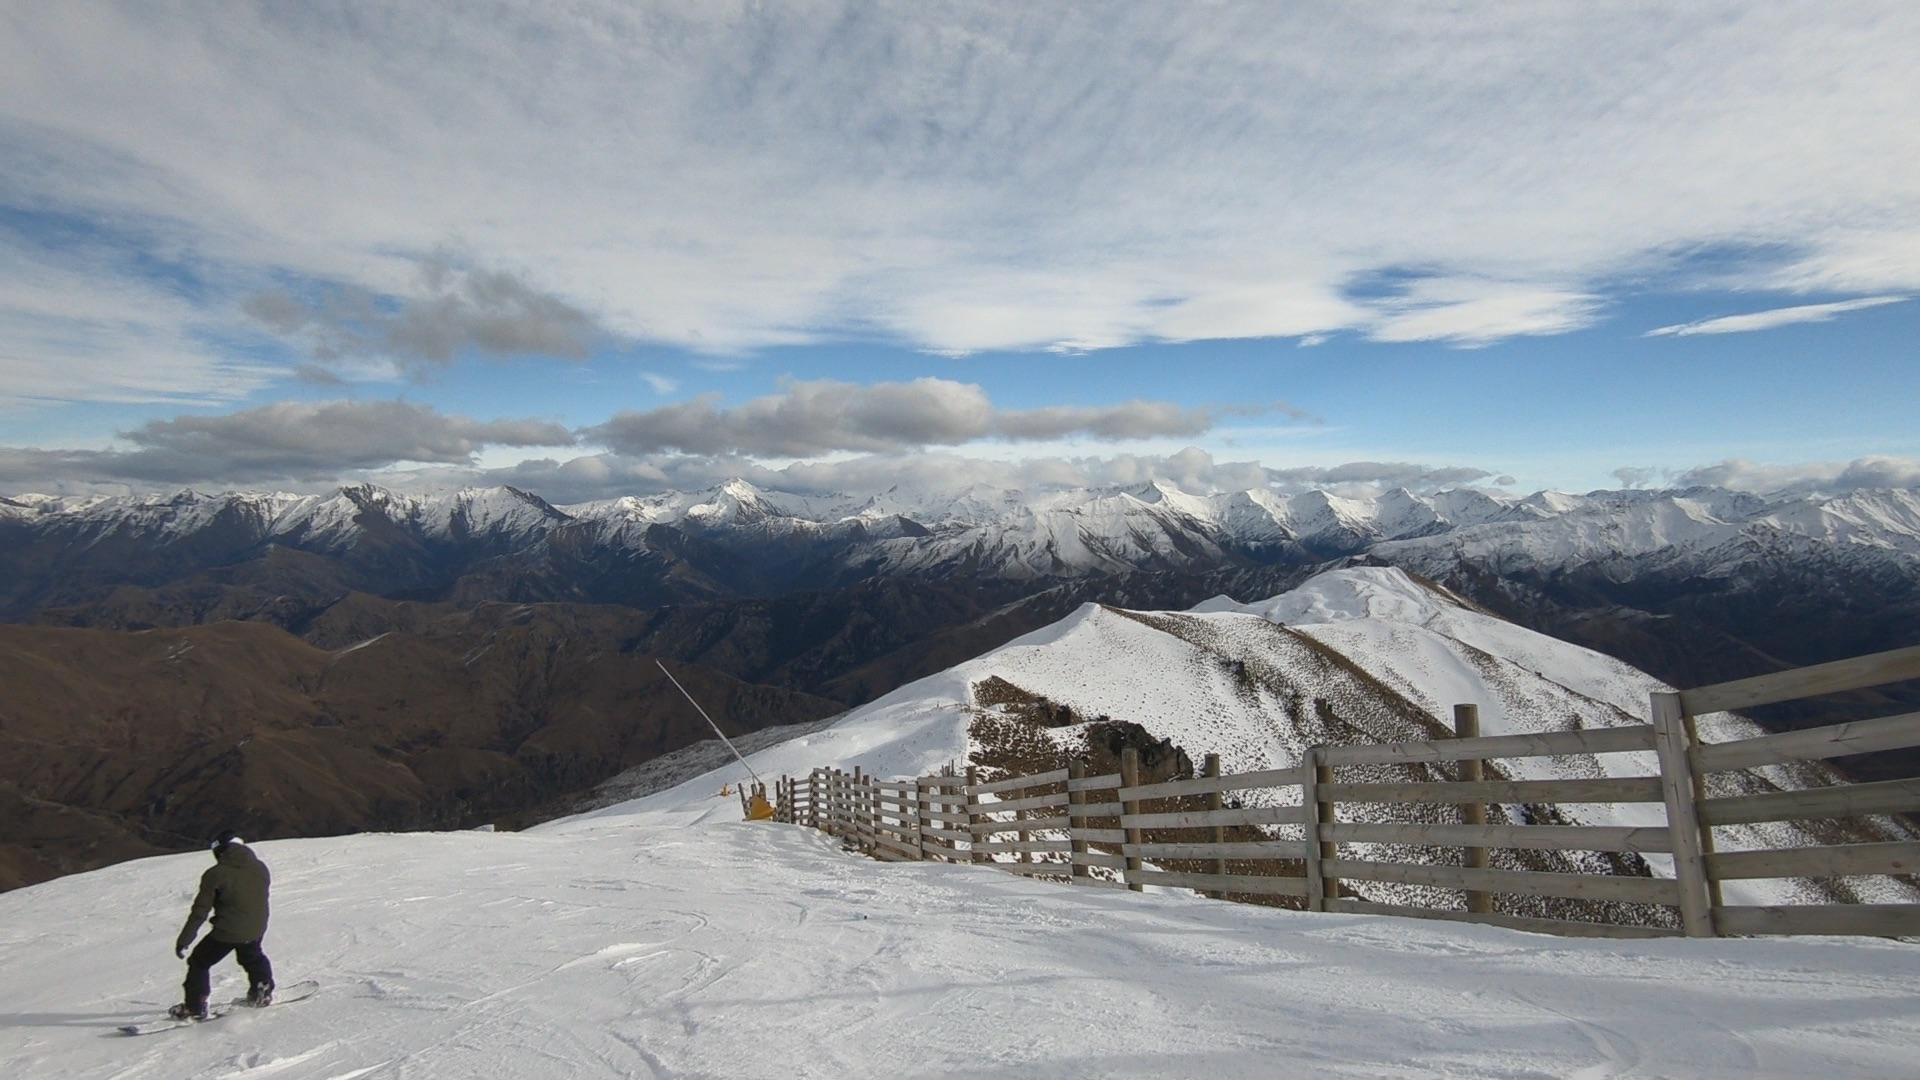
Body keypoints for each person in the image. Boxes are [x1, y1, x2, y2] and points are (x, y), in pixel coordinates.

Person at [169, 831, 275, 1020]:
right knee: (252, 957)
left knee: (199, 962)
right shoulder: (261, 867)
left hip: (228, 931)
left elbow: (200, 911)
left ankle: (195, 1007)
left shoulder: (215, 874)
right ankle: (262, 991)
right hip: (257, 927)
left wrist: (185, 939)